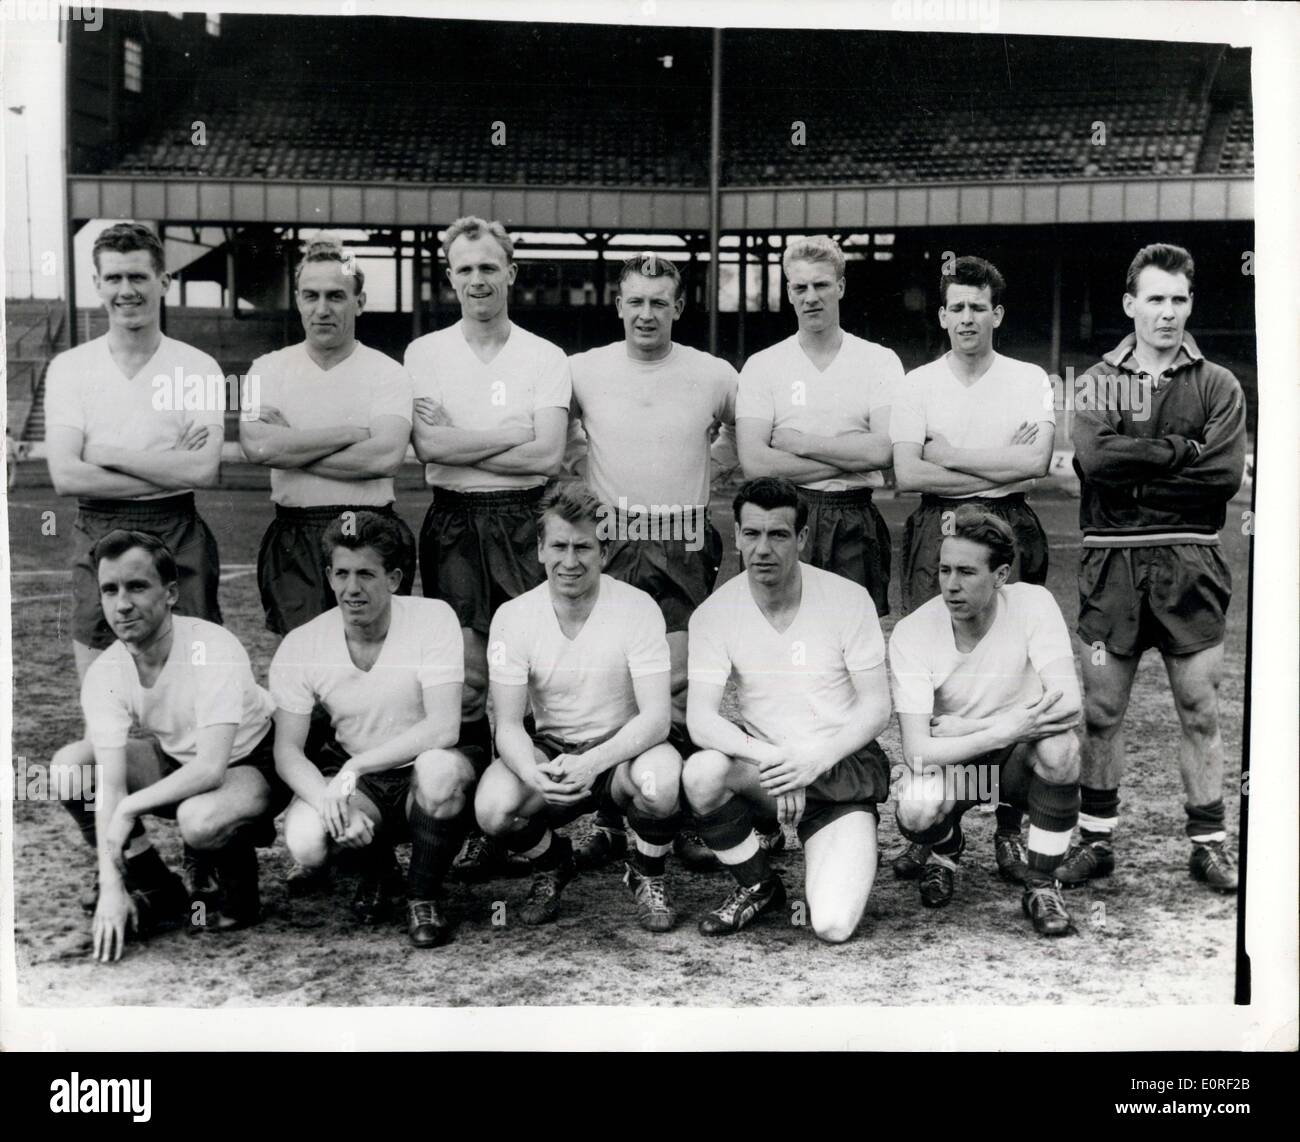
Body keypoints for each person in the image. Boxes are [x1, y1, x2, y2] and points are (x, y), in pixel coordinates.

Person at [563, 253, 774, 872]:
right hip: (612, 538)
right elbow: (558, 433)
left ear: (678, 307)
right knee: (613, 677)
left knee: (679, 680)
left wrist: (719, 464)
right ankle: (612, 815)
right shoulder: (584, 370)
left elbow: (745, 429)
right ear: (619, 305)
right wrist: (581, 462)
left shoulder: (712, 373)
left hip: (683, 537)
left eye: (661, 301)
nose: (647, 313)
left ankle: (676, 811)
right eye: (636, 301)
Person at [1061, 243, 1246, 893]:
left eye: (1179, 299)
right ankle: (1096, 838)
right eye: (1155, 299)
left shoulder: (1218, 383)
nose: (1167, 313)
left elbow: (1221, 476)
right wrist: (1177, 454)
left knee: (1200, 709)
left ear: (1190, 303)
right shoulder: (1099, 382)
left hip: (1190, 561)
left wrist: (1135, 473)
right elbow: (1096, 462)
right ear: (1129, 304)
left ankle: (1209, 842)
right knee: (1102, 710)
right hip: (1111, 567)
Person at [44, 222, 226, 878]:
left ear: (163, 282)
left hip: (177, 534)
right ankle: (138, 870)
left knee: (197, 705)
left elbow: (203, 472)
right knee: (105, 715)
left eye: (138, 277)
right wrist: (163, 461)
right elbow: (67, 476)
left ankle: (213, 857)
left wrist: (112, 452)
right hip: (98, 535)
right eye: (113, 278)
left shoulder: (195, 367)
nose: (126, 290)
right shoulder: (72, 368)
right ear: (97, 285)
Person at [406, 216, 570, 880]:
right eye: (465, 268)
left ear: (511, 272)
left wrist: (467, 435)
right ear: (451, 278)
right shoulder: (425, 354)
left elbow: (548, 453)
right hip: (453, 522)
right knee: (472, 675)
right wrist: (507, 432)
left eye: (488, 266)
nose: (478, 279)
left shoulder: (543, 356)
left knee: (527, 670)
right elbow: (427, 450)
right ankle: (477, 819)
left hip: (523, 519)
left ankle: (520, 811)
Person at [889, 255, 1056, 883]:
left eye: (977, 307)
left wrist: (951, 453)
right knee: (936, 672)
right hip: (938, 528)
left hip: (1013, 522)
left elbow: (1036, 462)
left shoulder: (1029, 377)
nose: (966, 317)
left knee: (1020, 672)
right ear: (942, 314)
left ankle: (1010, 828)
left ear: (998, 314)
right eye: (955, 307)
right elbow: (908, 474)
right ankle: (940, 825)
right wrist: (997, 461)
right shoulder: (916, 384)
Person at [50, 530, 287, 963]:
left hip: (252, 760)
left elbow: (211, 769)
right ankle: (156, 884)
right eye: (110, 590)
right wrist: (112, 886)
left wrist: (127, 808)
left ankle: (238, 889)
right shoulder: (106, 673)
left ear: (171, 593)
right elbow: (109, 786)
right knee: (70, 767)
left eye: (137, 586)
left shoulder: (209, 646)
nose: (122, 604)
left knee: (197, 818)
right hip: (179, 761)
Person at [682, 476, 893, 942]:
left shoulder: (846, 599)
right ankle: (757, 883)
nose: (763, 549)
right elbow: (701, 719)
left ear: (801, 538)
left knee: (833, 926)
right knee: (702, 773)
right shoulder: (715, 613)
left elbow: (878, 708)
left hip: (836, 770)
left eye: (778, 534)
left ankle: (838, 838)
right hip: (770, 775)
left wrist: (812, 759)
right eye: (752, 533)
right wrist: (774, 758)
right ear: (735, 535)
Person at [474, 481, 683, 931]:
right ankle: (553, 864)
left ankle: (646, 873)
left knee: (661, 780)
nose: (571, 561)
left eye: (584, 547)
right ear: (539, 549)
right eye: (559, 546)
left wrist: (593, 762)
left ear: (604, 551)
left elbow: (656, 719)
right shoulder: (513, 616)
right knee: (493, 808)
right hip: (552, 748)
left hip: (622, 749)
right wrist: (532, 772)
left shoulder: (638, 606)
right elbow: (507, 724)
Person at [270, 511, 483, 948]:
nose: (352, 588)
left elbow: (443, 727)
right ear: (328, 577)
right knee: (306, 840)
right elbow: (287, 751)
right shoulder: (302, 644)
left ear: (395, 578)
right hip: (363, 781)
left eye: (366, 574)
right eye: (342, 574)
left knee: (439, 771)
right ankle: (378, 869)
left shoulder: (432, 618)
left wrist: (356, 765)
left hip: (426, 769)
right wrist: (329, 800)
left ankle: (422, 895)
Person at [889, 506, 1081, 936]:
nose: (951, 586)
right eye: (944, 570)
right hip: (965, 770)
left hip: (1013, 770)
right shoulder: (914, 631)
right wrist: (1001, 729)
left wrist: (977, 727)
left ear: (1001, 575)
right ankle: (946, 848)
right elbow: (917, 750)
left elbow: (1069, 704)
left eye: (967, 573)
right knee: (917, 806)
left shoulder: (1033, 603)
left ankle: (1042, 883)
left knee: (1061, 748)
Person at [240, 235, 415, 637]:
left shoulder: (388, 372)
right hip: (295, 533)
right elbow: (257, 445)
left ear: (360, 302)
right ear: (298, 300)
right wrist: (350, 433)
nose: (322, 309)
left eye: (336, 296)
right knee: (301, 663)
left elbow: (384, 457)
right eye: (310, 296)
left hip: (370, 531)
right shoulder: (267, 369)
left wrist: (291, 447)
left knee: (371, 658)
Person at [735, 234, 902, 616]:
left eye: (821, 285)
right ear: (790, 293)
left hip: (854, 515)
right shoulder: (764, 365)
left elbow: (885, 451)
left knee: (853, 642)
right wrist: (854, 456)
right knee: (779, 633)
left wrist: (801, 442)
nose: (811, 296)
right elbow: (756, 464)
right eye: (800, 287)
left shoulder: (879, 360)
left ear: (840, 287)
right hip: (784, 515)